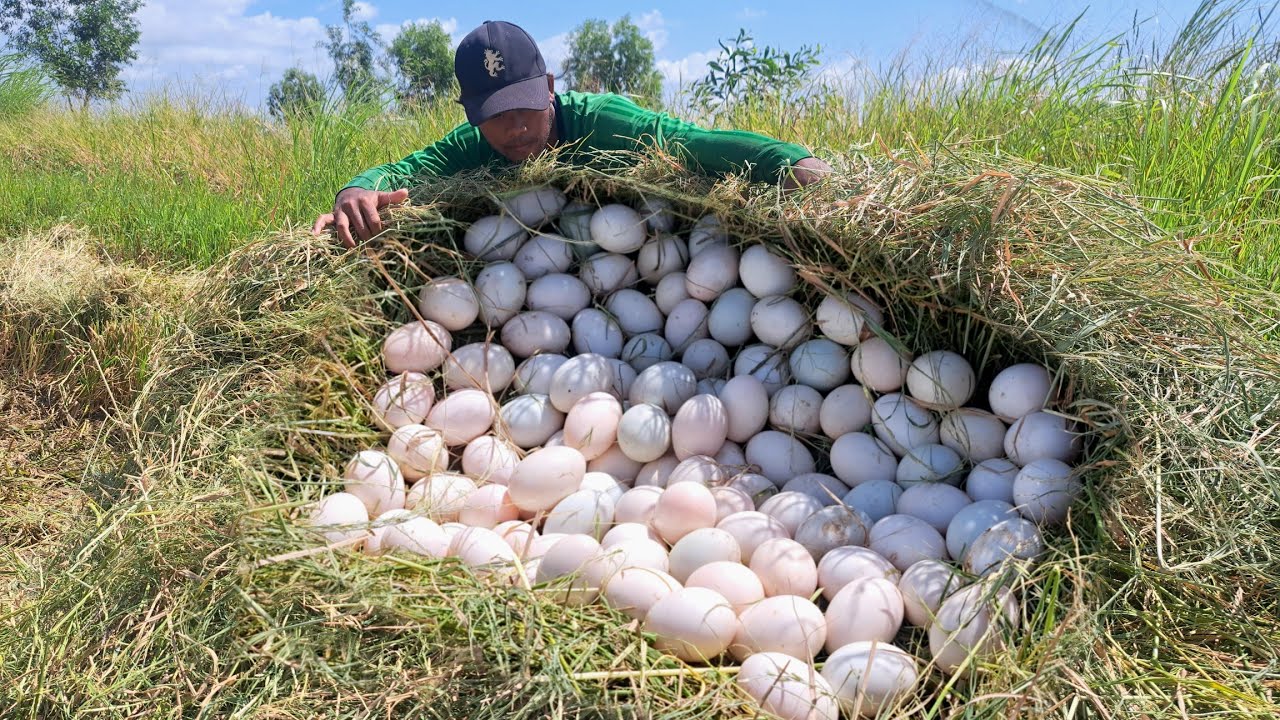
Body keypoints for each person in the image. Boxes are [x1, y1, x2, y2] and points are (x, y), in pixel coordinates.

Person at [314, 20, 833, 248]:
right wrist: (354, 191)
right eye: (494, 114)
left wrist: (790, 162)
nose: (514, 128)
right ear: (470, 111)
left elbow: (693, 142)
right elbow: (401, 172)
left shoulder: (603, 122)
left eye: (523, 107)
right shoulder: (472, 145)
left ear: (548, 87)